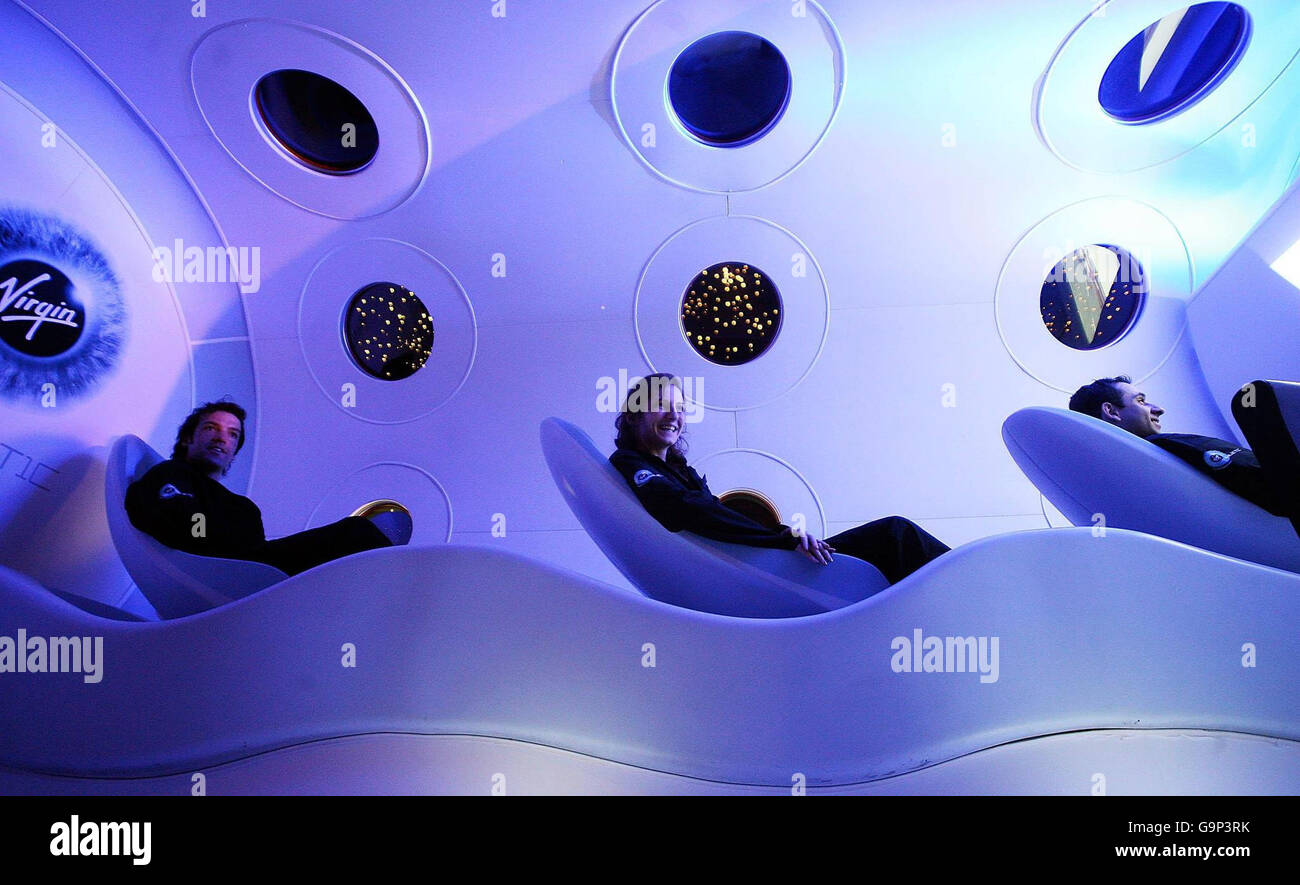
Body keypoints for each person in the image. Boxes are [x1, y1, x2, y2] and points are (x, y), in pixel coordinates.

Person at [607, 374, 949, 585]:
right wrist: (784, 537)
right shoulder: (631, 465)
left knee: (896, 543)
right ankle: (974, 581)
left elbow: (707, 513)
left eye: (679, 409)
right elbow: (692, 512)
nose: (673, 416)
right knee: (895, 535)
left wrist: (785, 538)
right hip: (753, 572)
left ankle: (953, 592)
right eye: (661, 405)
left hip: (760, 561)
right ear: (635, 415)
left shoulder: (681, 472)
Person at [126, 400, 411, 576]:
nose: (222, 438)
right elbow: (180, 525)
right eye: (211, 428)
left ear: (234, 453)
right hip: (223, 571)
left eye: (233, 434)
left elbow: (257, 556)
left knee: (348, 556)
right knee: (355, 532)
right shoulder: (170, 473)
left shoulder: (243, 508)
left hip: (252, 573)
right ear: (188, 438)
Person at [1067, 375, 1292, 516]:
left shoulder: (1114, 487)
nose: (1158, 409)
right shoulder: (1162, 447)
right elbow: (1273, 482)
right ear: (1112, 411)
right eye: (1141, 401)